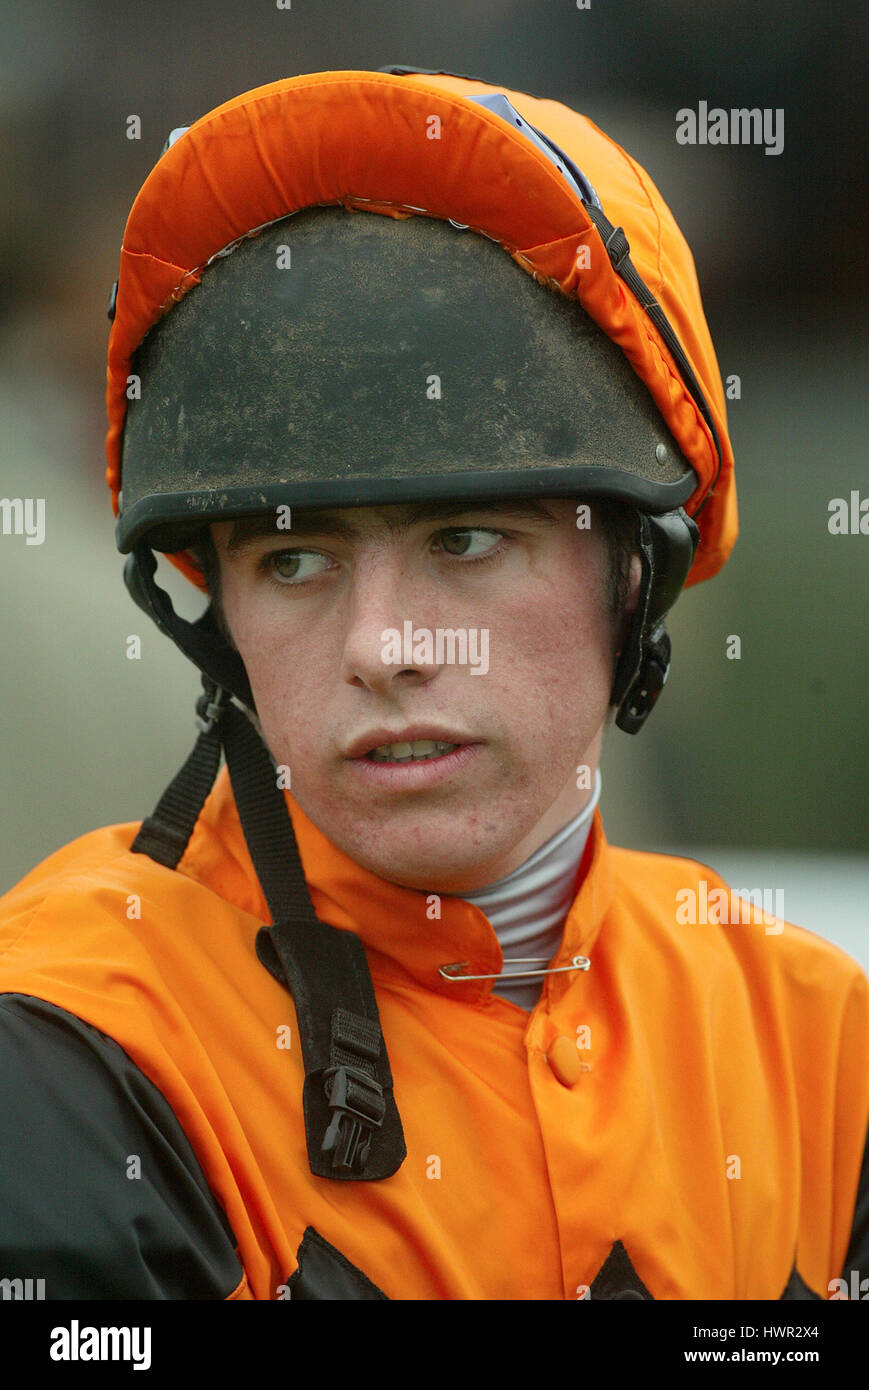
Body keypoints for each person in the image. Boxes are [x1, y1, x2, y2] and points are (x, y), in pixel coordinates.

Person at [0, 64, 866, 1302]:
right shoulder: (67, 1050)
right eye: (295, 559)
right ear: (222, 616)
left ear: (637, 574)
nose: (385, 645)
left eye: (464, 542)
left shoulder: (819, 1042)